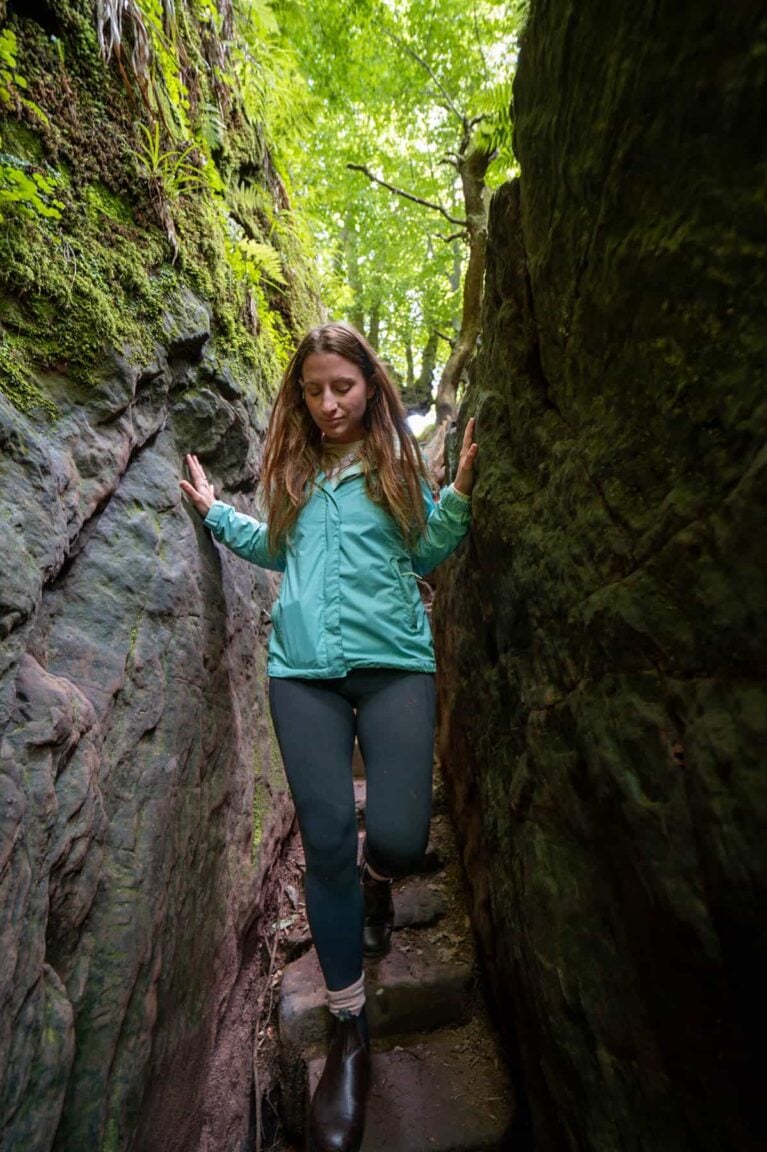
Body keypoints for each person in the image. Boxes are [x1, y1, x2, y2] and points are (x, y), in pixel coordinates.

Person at [180, 321, 476, 1152]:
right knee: (327, 839)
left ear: (370, 386)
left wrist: (456, 496)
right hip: (302, 673)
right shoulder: (294, 469)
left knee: (399, 834)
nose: (327, 402)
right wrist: (214, 516)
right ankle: (349, 1032)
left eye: (341, 386)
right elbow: (273, 546)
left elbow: (426, 548)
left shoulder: (397, 464)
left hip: (394, 667)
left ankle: (381, 883)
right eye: (312, 390)